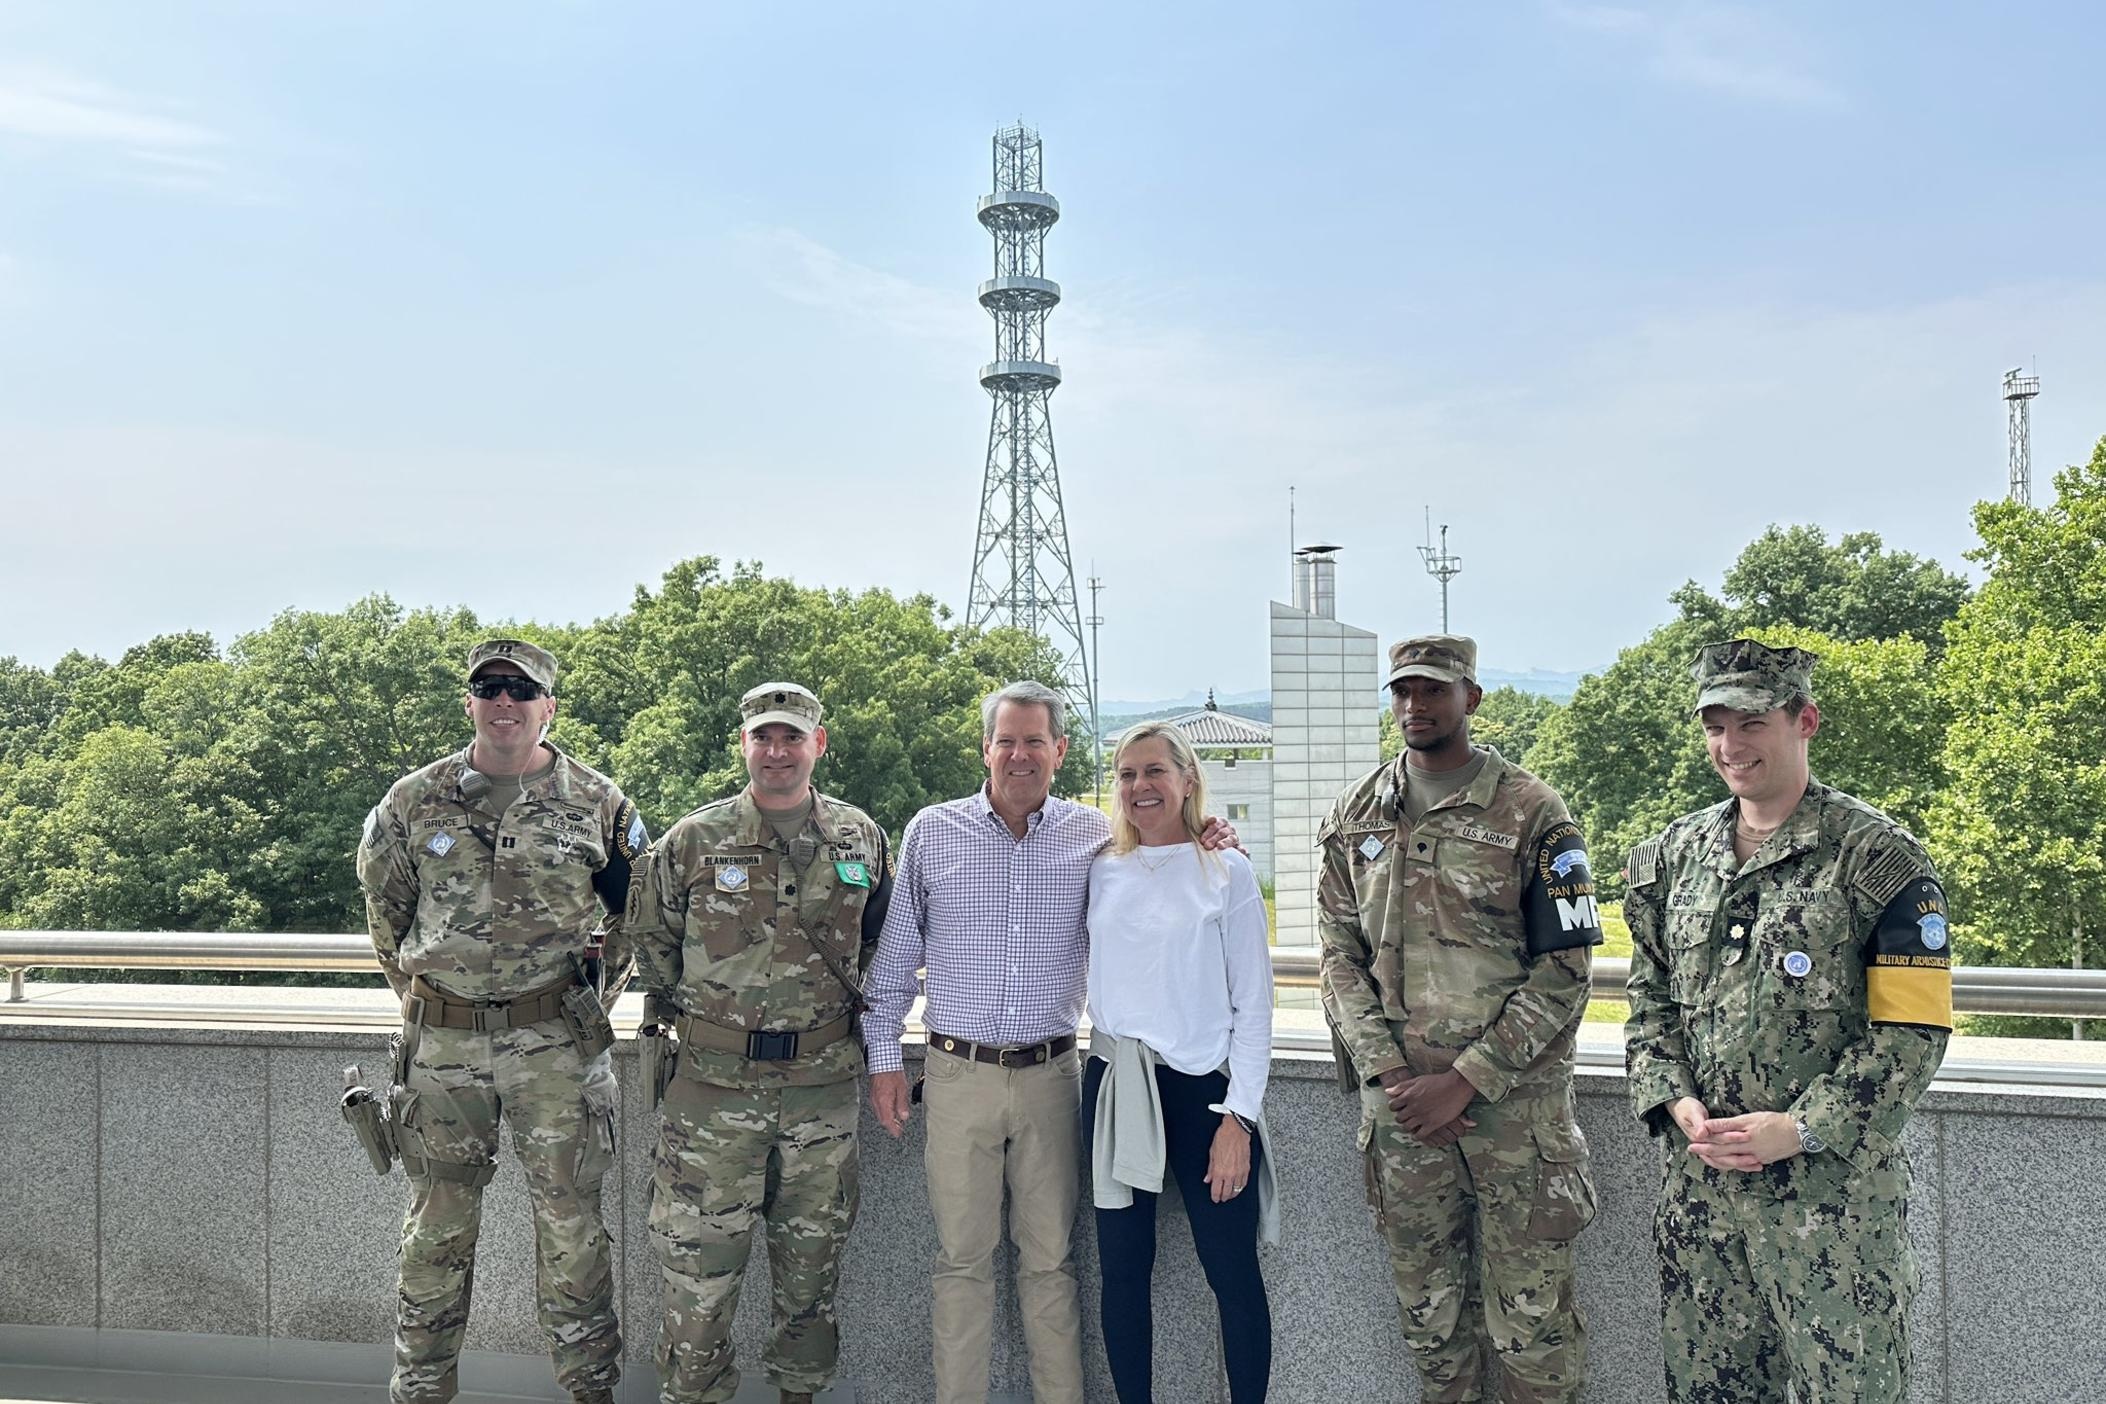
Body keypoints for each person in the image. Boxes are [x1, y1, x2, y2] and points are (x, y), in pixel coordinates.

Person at [861, 680, 1238, 1404]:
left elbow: (1166, 871)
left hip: (1051, 1075)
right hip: (956, 1072)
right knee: (960, 1263)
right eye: (1007, 740)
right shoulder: (932, 831)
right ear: (986, 748)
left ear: (1060, 752)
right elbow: (896, 958)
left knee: (1052, 1264)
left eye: (1036, 740)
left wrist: (1213, 839)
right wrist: (884, 1062)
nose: (1020, 754)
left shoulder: (1097, 837)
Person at [1623, 638, 1952, 1404]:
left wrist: (1799, 1129)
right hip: (1701, 1203)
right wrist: (1676, 1102)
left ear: (1804, 720)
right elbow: (1650, 1001)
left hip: (1831, 1211)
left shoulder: (1876, 857)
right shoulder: (1672, 856)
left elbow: (1912, 1034)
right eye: (1714, 726)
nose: (1731, 746)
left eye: (1751, 723)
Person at [357, 638, 645, 1404]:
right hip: (443, 1048)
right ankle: (420, 1392)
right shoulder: (414, 799)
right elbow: (387, 914)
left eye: (523, 689)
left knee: (573, 1228)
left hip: (557, 1049)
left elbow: (634, 914)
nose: (505, 702)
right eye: (490, 687)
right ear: (471, 702)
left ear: (549, 706)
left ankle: (590, 1391)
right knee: (435, 1232)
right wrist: (433, 1001)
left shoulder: (599, 803)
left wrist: (585, 1004)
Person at [1317, 634, 1600, 1404]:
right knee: (1431, 1326)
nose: (1416, 706)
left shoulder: (1534, 811)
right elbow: (1339, 958)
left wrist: (1467, 1081)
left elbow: (1567, 969)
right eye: (1404, 692)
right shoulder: (1356, 813)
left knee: (1533, 1329)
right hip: (1404, 1117)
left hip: (1514, 1120)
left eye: (1434, 691)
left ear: (1470, 698)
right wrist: (1395, 1074)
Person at [626, 681, 891, 1404]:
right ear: (743, 744)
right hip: (711, 1095)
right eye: (764, 737)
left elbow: (878, 939)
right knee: (697, 1279)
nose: (778, 750)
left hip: (821, 1093)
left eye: (792, 736)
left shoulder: (858, 837)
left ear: (818, 744)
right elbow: (652, 946)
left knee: (812, 1275)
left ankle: (798, 1396)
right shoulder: (693, 840)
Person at [1082, 722, 1276, 1403]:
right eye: (1127, 774)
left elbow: (1254, 1007)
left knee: (1232, 1272)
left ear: (1188, 780)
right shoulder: (1098, 866)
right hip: (1116, 1086)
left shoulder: (1227, 871)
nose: (1140, 786)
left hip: (1205, 1096)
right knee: (1124, 1272)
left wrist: (1239, 1121)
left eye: (1155, 771)